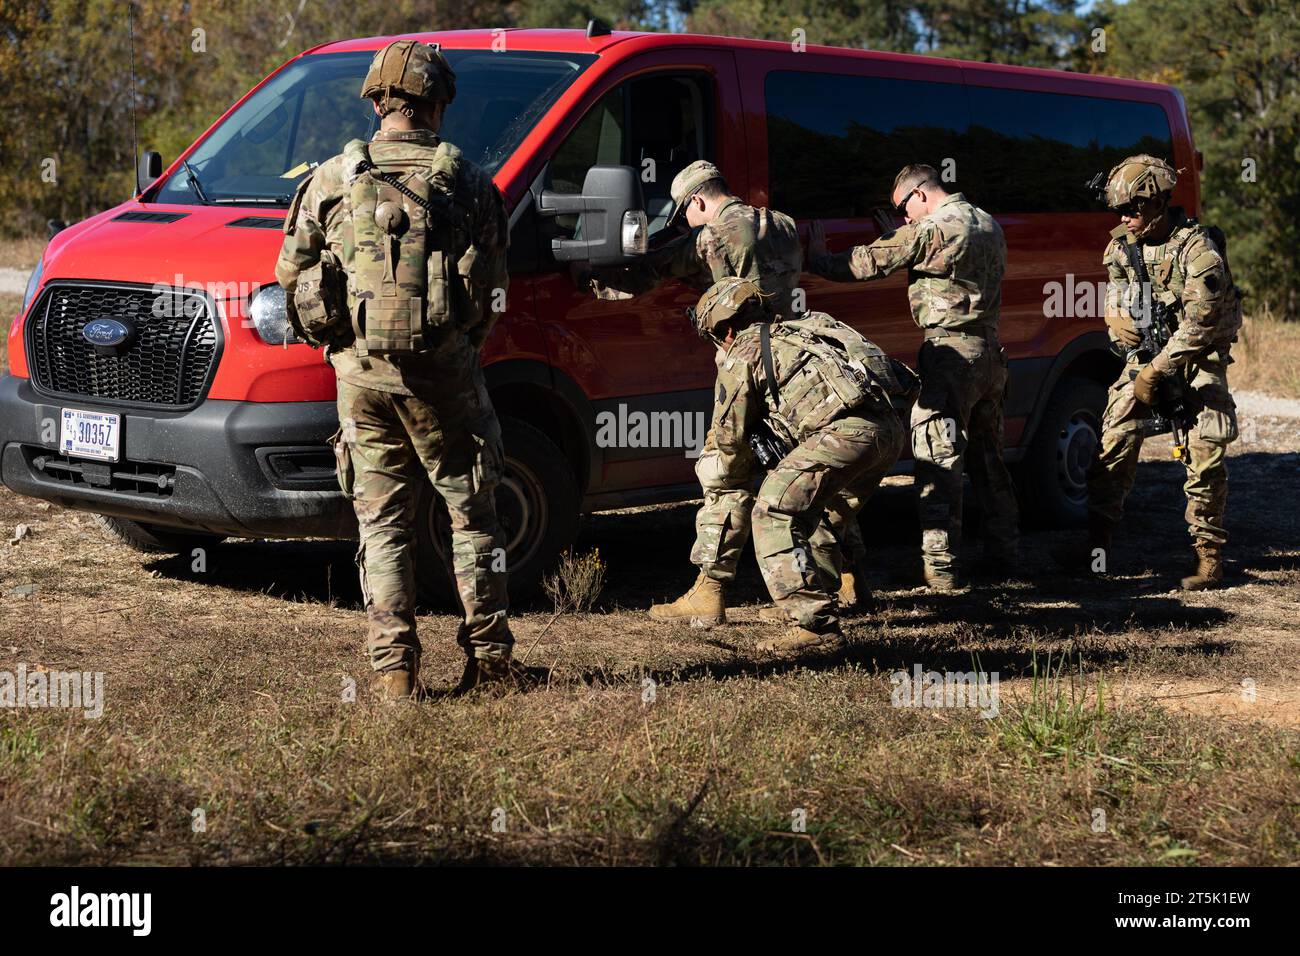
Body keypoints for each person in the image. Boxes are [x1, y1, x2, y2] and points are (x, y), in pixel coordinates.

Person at [275, 40, 515, 699]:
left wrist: (339, 346)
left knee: (382, 523)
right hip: (447, 381)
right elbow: (493, 289)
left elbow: (291, 276)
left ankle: (393, 677)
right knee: (473, 516)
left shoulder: (331, 178)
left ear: (378, 101)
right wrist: (459, 347)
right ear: (437, 104)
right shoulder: (468, 183)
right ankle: (491, 664)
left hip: (362, 381)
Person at [588, 161, 874, 623]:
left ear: (698, 202)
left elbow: (645, 273)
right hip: (798, 366)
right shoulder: (781, 223)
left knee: (725, 473)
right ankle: (850, 576)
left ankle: (709, 591)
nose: (688, 221)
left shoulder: (708, 239)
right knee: (808, 472)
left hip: (744, 365)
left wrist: (592, 276)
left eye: (687, 213)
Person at [808, 164, 1018, 590]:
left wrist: (818, 257)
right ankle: (1004, 552)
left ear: (921, 194)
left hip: (950, 357)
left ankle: (940, 571)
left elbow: (866, 264)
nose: (905, 218)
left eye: (905, 208)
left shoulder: (930, 231)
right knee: (988, 460)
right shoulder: (986, 222)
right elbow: (936, 258)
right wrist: (901, 235)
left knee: (937, 460)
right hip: (989, 351)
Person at [692, 277, 911, 655]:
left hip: (844, 434)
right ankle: (823, 593)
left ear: (725, 330)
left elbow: (729, 439)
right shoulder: (812, 324)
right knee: (819, 510)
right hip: (888, 428)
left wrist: (728, 478)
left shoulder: (742, 351)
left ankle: (814, 625)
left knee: (773, 511)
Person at [1056, 155, 1242, 589]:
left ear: (1157, 202)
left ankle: (1209, 558)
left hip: (1196, 357)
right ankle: (1097, 547)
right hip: (1148, 353)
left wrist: (1159, 370)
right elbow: (1119, 297)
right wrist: (1121, 327)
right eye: (1119, 210)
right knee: (1112, 439)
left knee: (1206, 451)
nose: (1125, 218)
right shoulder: (1123, 245)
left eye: (1132, 210)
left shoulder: (1198, 250)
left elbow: (1203, 322)